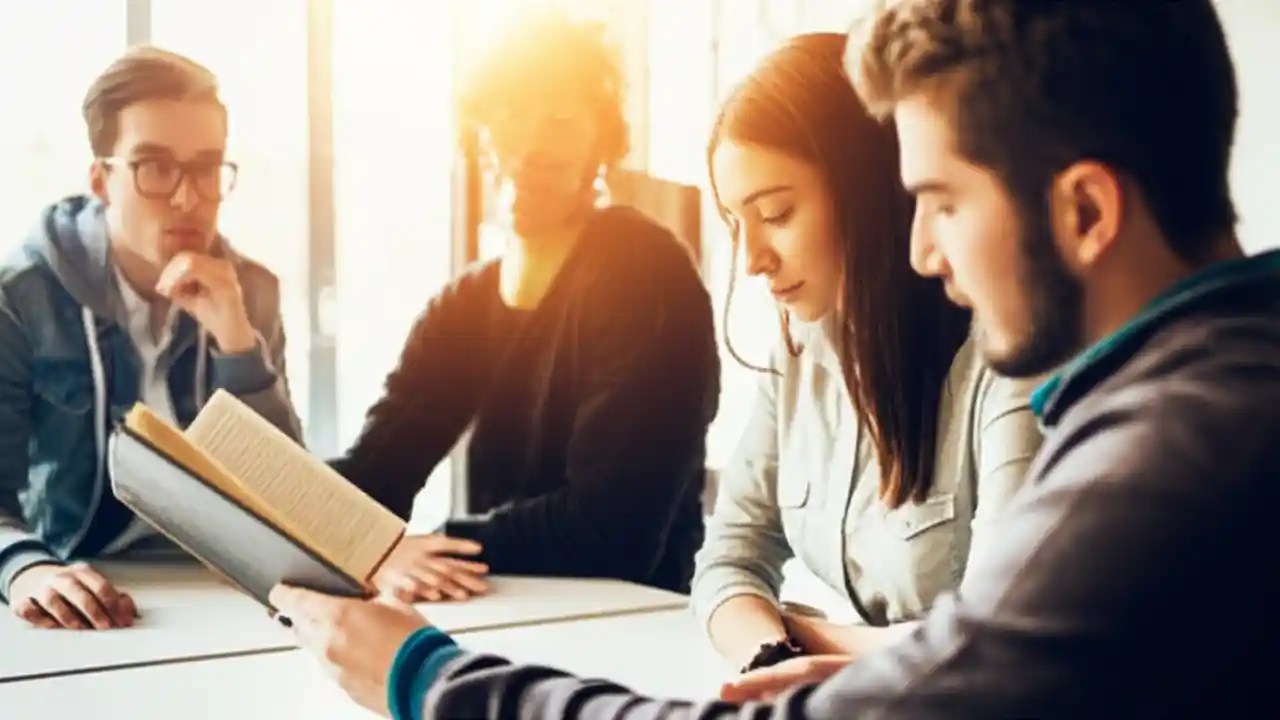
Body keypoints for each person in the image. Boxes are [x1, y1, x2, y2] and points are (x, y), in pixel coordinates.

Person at [275, 1, 1280, 717]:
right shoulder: (1190, 398)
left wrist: (429, 680)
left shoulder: (1171, 458)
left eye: (938, 203)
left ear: (1085, 211)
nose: (922, 251)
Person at [329, 9, 719, 601]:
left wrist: (424, 549)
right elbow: (374, 478)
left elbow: (611, 530)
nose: (534, 142)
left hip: (626, 624)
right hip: (494, 613)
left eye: (560, 118)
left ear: (600, 139)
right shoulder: (466, 303)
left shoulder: (643, 269)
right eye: (511, 112)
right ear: (479, 128)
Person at [690, 32, 1041, 673]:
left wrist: (807, 640)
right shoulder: (796, 360)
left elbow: (996, 636)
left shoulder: (1008, 363)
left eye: (776, 212)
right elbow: (729, 558)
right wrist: (767, 652)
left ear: (868, 190)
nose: (753, 260)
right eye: (737, 223)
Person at [0, 46, 300, 631]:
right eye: (155, 168)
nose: (189, 198)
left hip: (226, 595)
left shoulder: (252, 292)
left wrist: (238, 345)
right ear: (101, 180)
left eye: (208, 168)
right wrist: (26, 568)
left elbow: (290, 507)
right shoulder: (23, 297)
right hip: (80, 583)